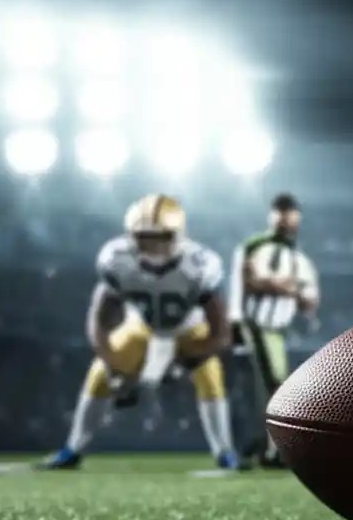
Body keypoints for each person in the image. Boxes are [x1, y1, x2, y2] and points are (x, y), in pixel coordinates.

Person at [40, 194, 241, 470]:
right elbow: (98, 321)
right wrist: (113, 367)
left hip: (189, 328)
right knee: (99, 374)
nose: (153, 245)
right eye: (144, 236)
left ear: (179, 235)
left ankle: (225, 452)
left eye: (161, 237)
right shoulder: (118, 259)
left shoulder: (200, 265)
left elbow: (220, 331)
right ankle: (72, 449)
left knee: (210, 375)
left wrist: (185, 362)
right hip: (142, 326)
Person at [230, 193, 319, 467]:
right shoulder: (255, 246)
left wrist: (277, 285)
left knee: (273, 386)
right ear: (272, 215)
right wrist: (234, 320)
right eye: (280, 212)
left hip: (279, 330)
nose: (285, 218)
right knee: (270, 384)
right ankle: (267, 449)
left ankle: (267, 449)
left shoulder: (299, 259)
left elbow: (310, 301)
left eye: (290, 212)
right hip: (254, 325)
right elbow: (245, 281)